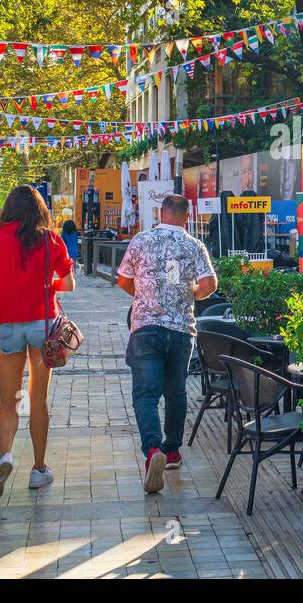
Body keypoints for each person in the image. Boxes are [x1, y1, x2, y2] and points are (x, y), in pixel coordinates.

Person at [0, 186, 75, 500]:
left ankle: (5, 457)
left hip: (6, 326)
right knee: (38, 399)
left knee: (8, 400)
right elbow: (68, 284)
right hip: (42, 324)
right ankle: (39, 470)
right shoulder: (50, 238)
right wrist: (46, 283)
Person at [117, 193, 216, 493]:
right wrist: (191, 295)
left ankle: (152, 451)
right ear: (187, 217)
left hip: (145, 328)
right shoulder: (194, 245)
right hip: (180, 330)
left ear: (161, 213)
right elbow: (209, 285)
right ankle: (172, 451)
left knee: (146, 396)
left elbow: (123, 279)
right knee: (176, 392)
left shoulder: (141, 241)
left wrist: (145, 295)